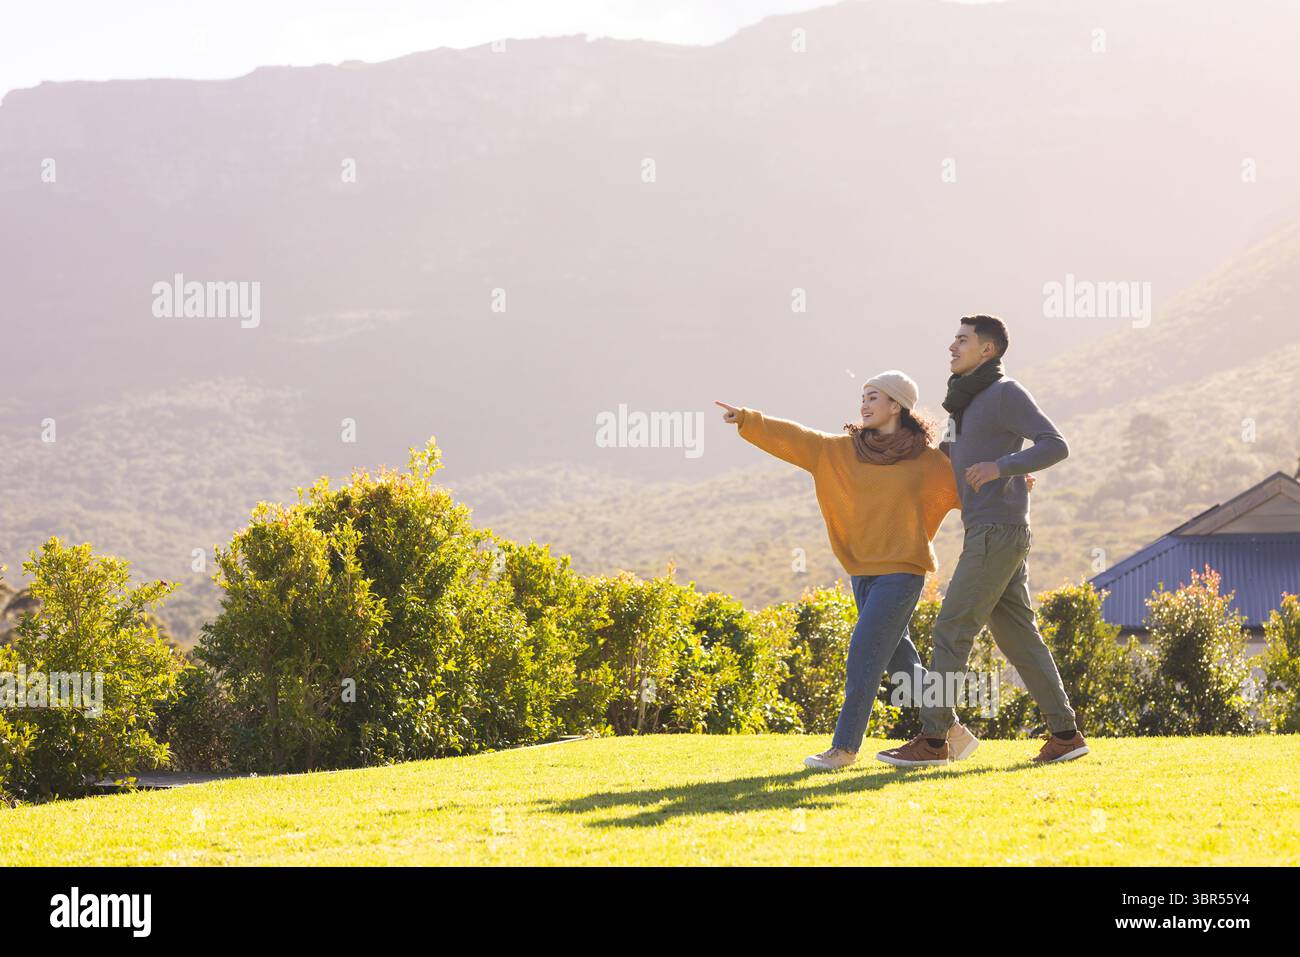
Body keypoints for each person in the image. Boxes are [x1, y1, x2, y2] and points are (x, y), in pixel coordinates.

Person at [716, 370, 972, 770]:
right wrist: (749, 419)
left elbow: (967, 487)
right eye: (863, 397)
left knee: (863, 655)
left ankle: (844, 748)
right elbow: (798, 438)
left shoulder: (926, 461)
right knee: (900, 662)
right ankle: (953, 731)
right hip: (862, 572)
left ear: (895, 405)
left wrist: (1007, 482)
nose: (864, 404)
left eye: (873, 397)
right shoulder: (841, 450)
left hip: (903, 572)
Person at [876, 315, 1089, 767]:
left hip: (998, 531)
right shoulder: (964, 406)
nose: (951, 346)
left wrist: (1003, 466)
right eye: (953, 338)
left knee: (951, 628)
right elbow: (944, 458)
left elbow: (1056, 443)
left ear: (987, 350)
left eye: (962, 340)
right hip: (989, 530)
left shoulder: (1005, 393)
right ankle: (1066, 735)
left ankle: (934, 741)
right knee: (1019, 638)